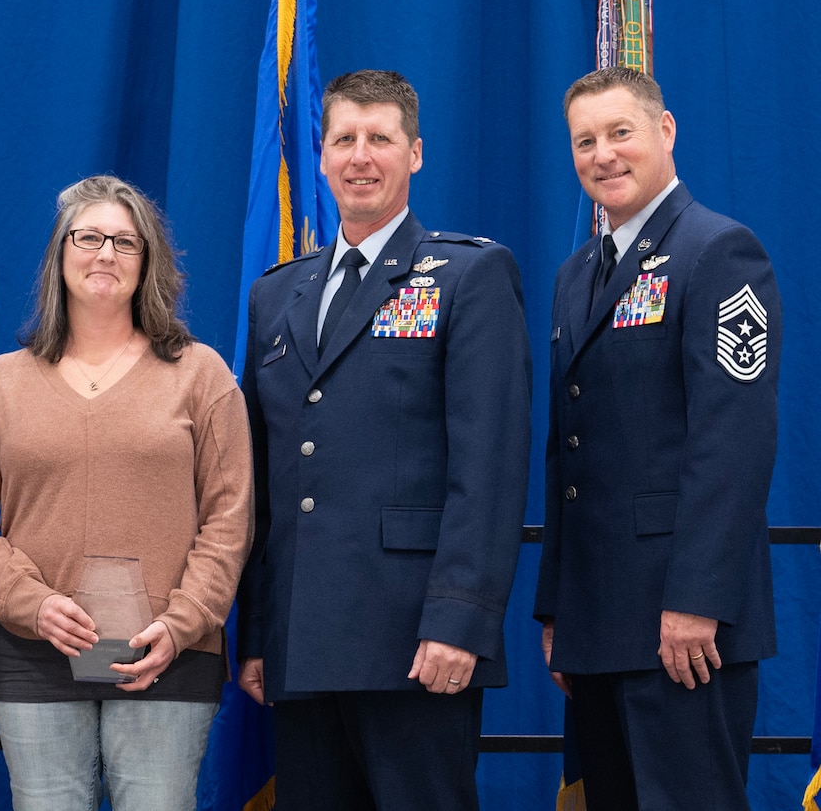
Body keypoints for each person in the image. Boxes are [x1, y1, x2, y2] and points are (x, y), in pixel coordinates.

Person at [237, 69, 532, 810]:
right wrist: (258, 634)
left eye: (380, 139)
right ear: (323, 152)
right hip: (302, 641)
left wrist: (460, 622)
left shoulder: (469, 275)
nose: (360, 156)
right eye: (344, 139)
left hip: (415, 640)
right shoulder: (278, 293)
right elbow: (266, 482)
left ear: (416, 153)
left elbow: (488, 466)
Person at [0, 175, 253, 811]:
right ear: (60, 254)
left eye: (125, 243)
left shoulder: (201, 375)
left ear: (148, 264)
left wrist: (183, 622)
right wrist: (31, 603)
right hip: (34, 657)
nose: (105, 254)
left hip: (166, 656)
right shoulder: (1, 384)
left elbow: (230, 516)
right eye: (88, 237)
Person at [535, 67, 781, 810]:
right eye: (585, 140)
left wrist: (696, 601)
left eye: (620, 133)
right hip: (598, 621)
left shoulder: (720, 252)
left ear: (664, 131)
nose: (603, 154)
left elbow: (732, 445)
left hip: (685, 627)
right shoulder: (576, 273)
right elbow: (567, 449)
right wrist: (555, 606)